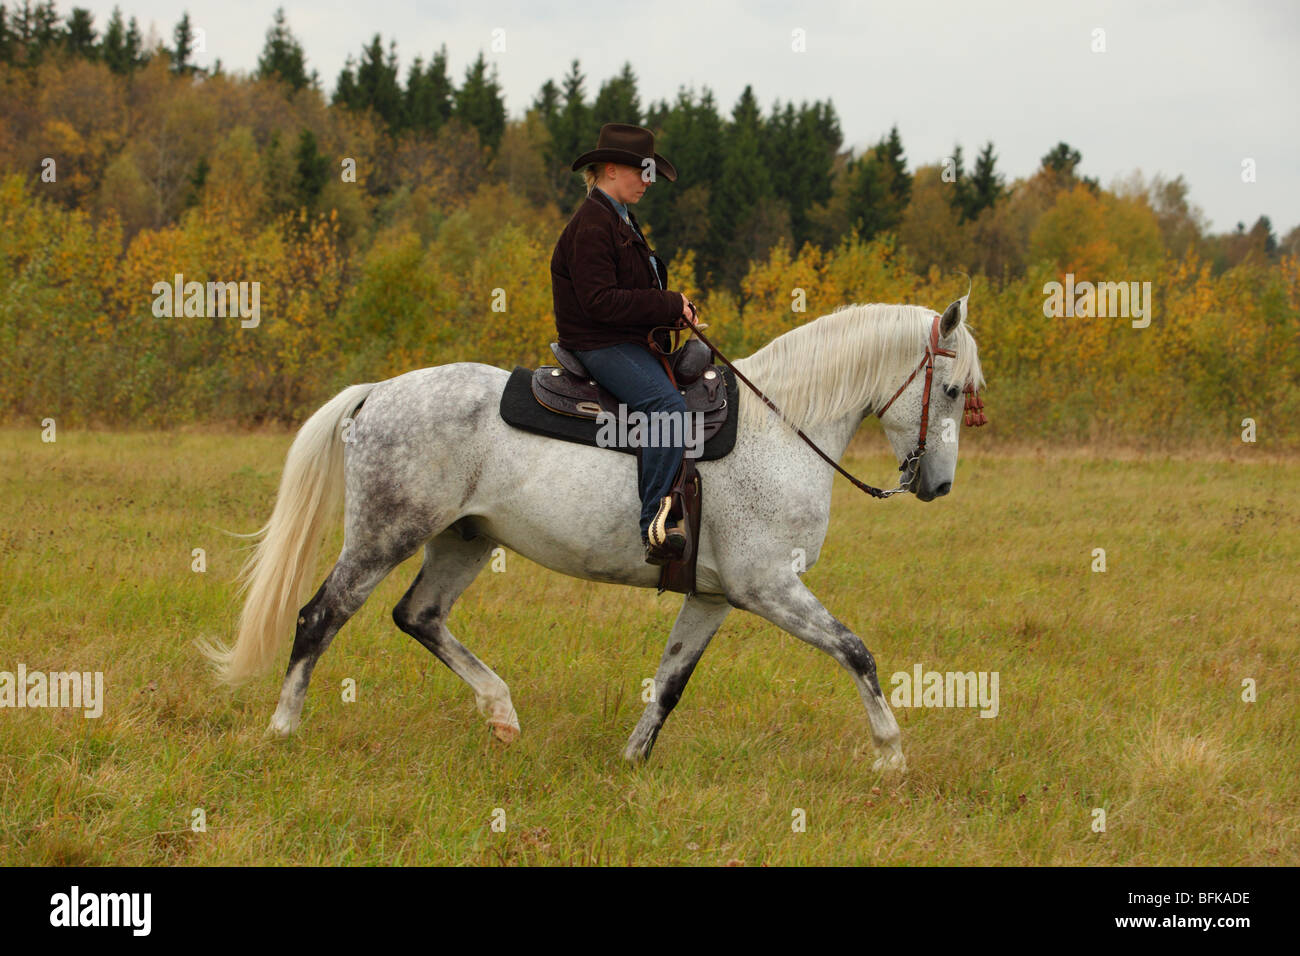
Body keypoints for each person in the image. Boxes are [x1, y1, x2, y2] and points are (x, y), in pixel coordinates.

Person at [550, 123, 700, 566]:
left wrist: (671, 312)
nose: (649, 181)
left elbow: (628, 293)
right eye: (643, 172)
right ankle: (654, 524)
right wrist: (669, 302)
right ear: (612, 170)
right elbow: (599, 302)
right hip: (598, 343)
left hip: (622, 339)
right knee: (667, 407)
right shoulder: (593, 224)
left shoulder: (618, 218)